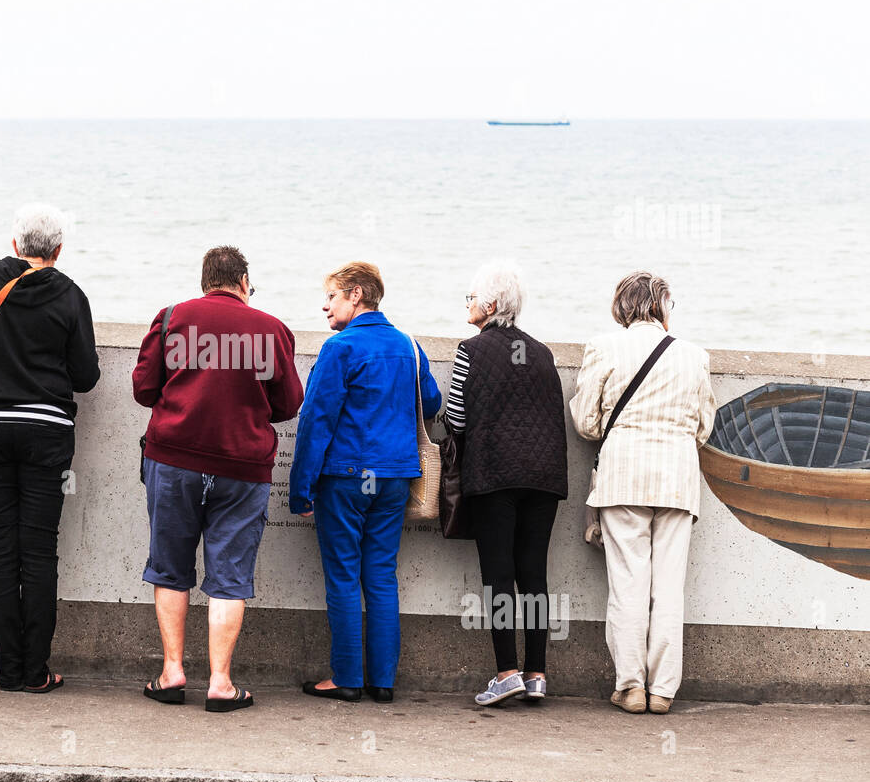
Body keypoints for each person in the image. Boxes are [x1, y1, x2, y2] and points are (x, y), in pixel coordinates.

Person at [132, 246, 302, 713]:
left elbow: (144, 388)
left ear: (206, 280)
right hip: (242, 469)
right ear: (244, 281)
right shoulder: (270, 330)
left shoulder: (171, 318)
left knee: (169, 567)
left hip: (174, 461)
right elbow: (289, 404)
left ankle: (171, 674)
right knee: (229, 576)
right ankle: (221, 684)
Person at [0, 203, 100, 694]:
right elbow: (87, 377)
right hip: (47, 433)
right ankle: (36, 670)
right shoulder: (72, 295)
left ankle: (7, 666)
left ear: (16, 246)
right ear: (57, 249)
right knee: (39, 551)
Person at [289, 262, 440, 702]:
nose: (325, 305)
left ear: (356, 295)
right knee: (380, 575)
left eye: (331, 296)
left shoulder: (341, 348)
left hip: (346, 478)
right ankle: (383, 681)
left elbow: (316, 421)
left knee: (342, 576)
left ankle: (347, 678)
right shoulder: (409, 347)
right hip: (394, 478)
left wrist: (301, 489)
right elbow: (429, 402)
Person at [569, 271, 716, 715]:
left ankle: (631, 686)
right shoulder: (694, 356)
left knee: (628, 585)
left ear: (622, 306)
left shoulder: (604, 347)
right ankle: (663, 690)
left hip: (624, 477)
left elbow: (587, 424)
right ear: (662, 305)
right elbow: (703, 428)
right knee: (669, 588)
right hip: (676, 479)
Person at [446, 262, 567, 706]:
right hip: (544, 477)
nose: (467, 303)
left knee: (499, 576)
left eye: (471, 297)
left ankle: (506, 672)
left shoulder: (470, 351)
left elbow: (456, 418)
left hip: (495, 476)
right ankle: (537, 674)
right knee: (534, 575)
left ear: (490, 305)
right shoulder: (542, 353)